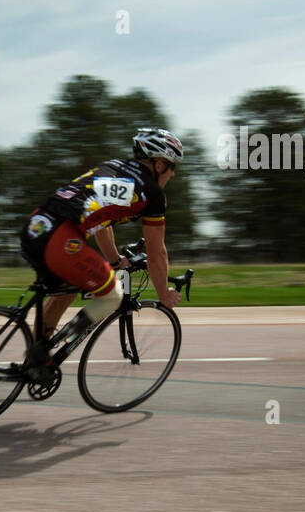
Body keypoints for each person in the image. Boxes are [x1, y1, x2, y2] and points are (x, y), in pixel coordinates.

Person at [19, 127, 184, 377]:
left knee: (67, 290)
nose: (173, 174)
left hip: (36, 226)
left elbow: (100, 223)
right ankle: (41, 356)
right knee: (113, 295)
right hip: (61, 239)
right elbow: (156, 251)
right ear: (159, 164)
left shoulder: (115, 167)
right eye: (172, 166)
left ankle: (35, 361)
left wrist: (115, 260)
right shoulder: (151, 192)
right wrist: (163, 293)